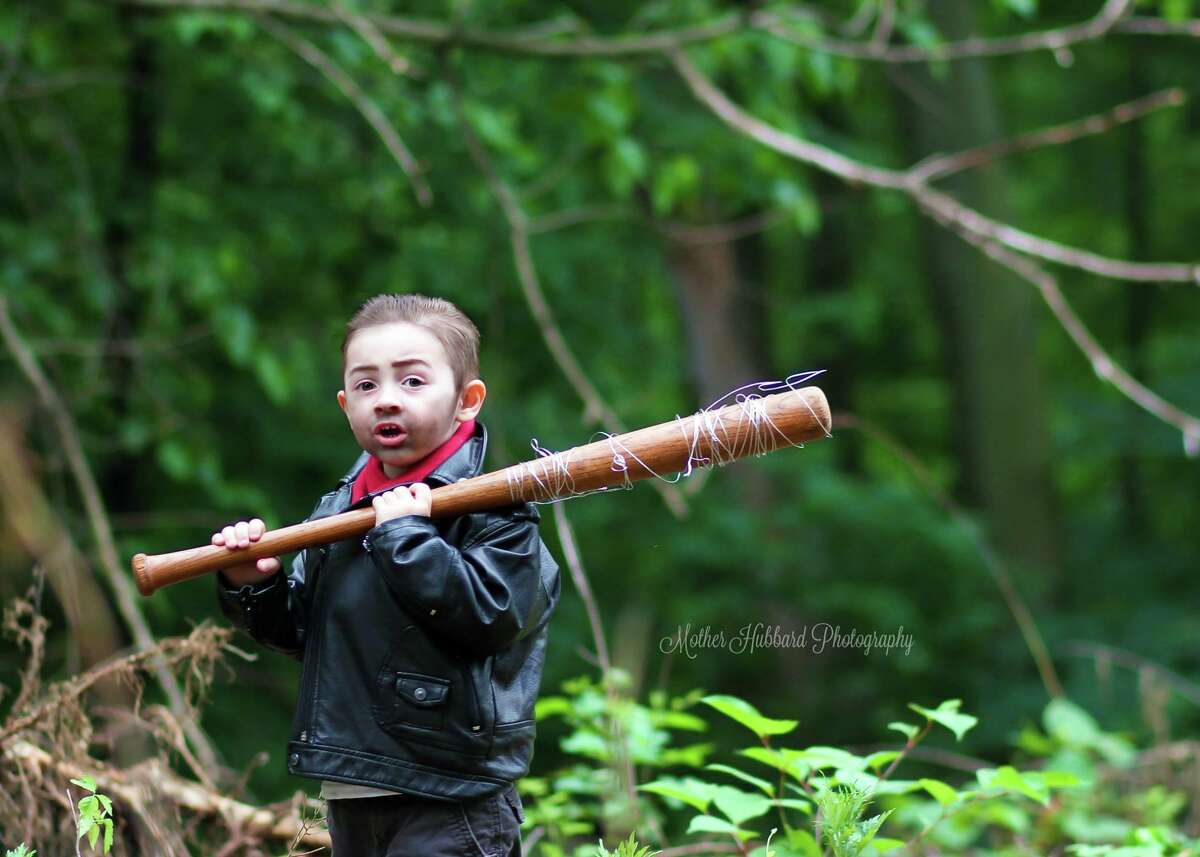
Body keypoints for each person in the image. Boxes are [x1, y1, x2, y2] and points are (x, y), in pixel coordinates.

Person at [212, 293, 560, 856]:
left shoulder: (498, 511)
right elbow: (309, 636)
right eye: (367, 386)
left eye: (413, 382)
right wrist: (253, 583)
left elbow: (491, 618)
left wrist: (403, 537)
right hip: (352, 785)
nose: (387, 401)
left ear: (467, 401)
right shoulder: (337, 510)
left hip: (450, 794)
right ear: (345, 403)